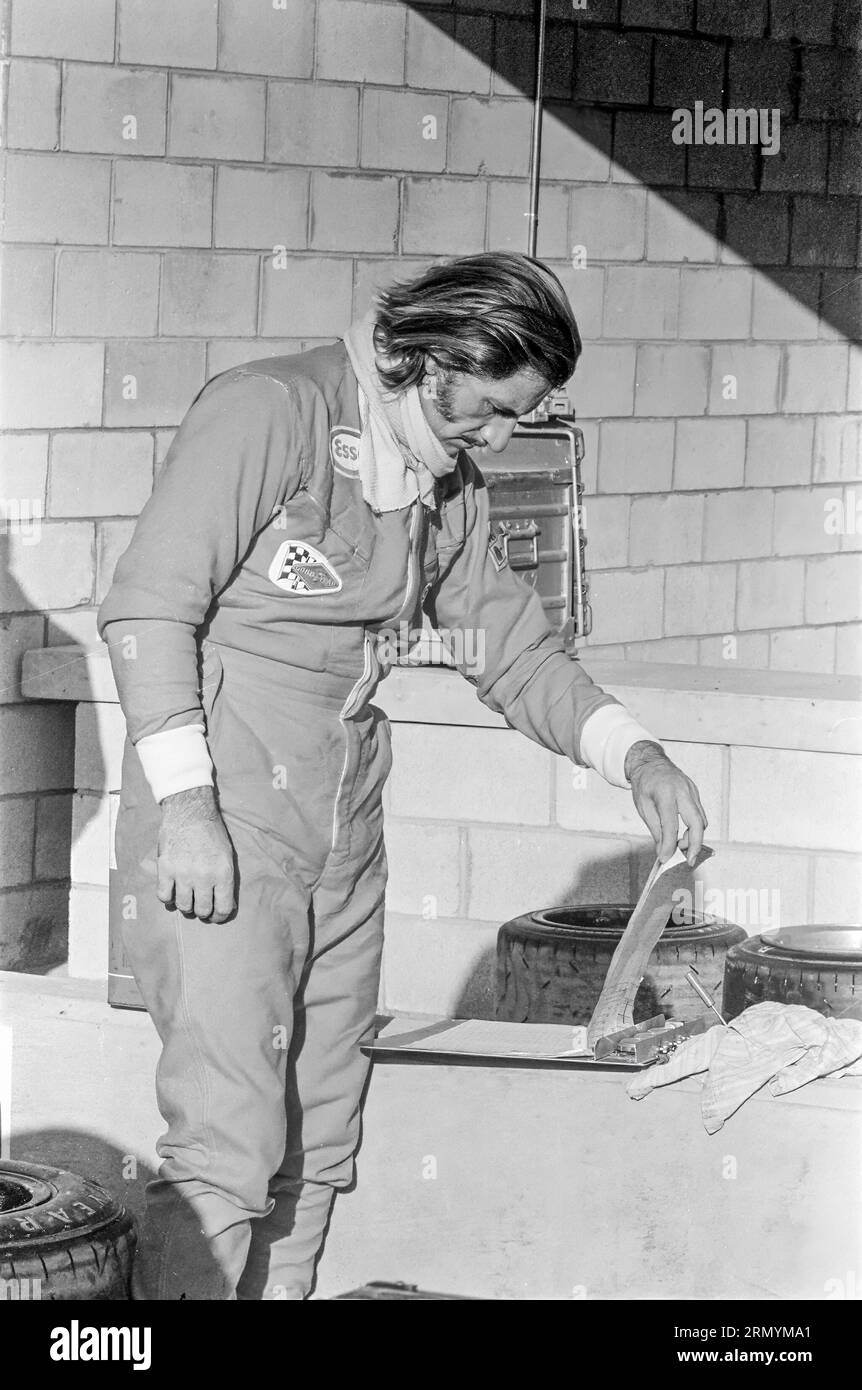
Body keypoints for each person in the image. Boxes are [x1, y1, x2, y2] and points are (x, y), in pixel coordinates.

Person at [99, 252, 707, 1300]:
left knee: (323, 1127)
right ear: (439, 359)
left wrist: (634, 752)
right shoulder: (272, 411)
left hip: (342, 823)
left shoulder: (444, 484)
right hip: (227, 818)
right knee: (228, 1136)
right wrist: (188, 809)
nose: (503, 438)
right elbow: (148, 609)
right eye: (497, 408)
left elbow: (511, 650)